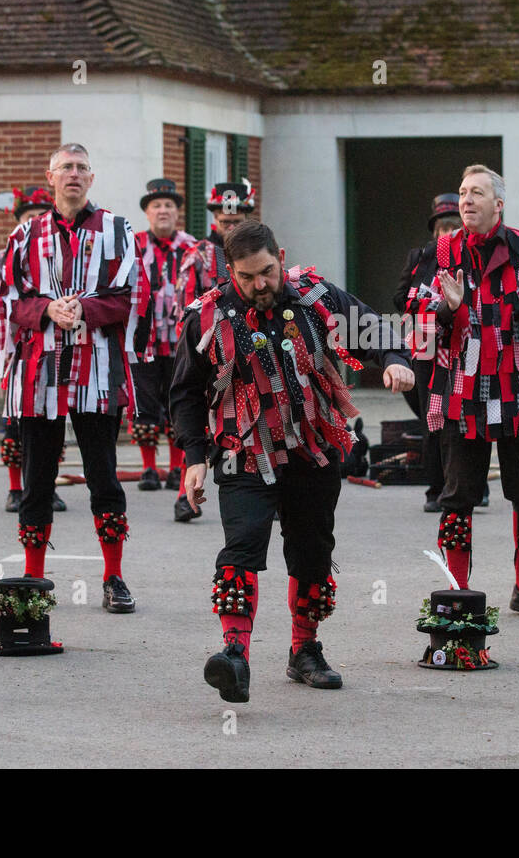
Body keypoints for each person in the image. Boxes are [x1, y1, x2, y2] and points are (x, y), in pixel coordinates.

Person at [171, 221, 414, 702]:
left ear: (280, 256)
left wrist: (392, 357)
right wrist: (194, 458)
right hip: (244, 450)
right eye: (246, 277)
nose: (260, 285)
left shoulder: (316, 296)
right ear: (228, 272)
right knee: (241, 548)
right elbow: (184, 394)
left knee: (312, 552)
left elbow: (374, 327)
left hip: (313, 449)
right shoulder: (206, 317)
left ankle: (304, 650)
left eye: (267, 271)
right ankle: (235, 656)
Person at [406, 165, 519, 617]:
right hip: (462, 393)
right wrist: (448, 306)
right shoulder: (442, 251)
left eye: (476, 192)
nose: (466, 200)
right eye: (462, 192)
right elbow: (416, 320)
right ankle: (457, 593)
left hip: (517, 389)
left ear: (498, 204)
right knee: (458, 496)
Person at [0, 143, 140, 613]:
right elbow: (9, 300)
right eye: (65, 168)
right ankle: (33, 579)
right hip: (38, 373)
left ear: (91, 178)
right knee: (37, 479)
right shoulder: (23, 235)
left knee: (104, 476)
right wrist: (45, 308)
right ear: (50, 176)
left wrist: (86, 309)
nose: (73, 175)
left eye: (81, 168)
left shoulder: (118, 230)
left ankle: (114, 576)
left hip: (97, 370)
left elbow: (129, 296)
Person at [0, 185, 66, 513]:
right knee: (15, 420)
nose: (36, 222)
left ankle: (46, 485)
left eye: (42, 216)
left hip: (54, 351)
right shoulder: (4, 258)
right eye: (29, 217)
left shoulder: (64, 258)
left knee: (52, 418)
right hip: (16, 354)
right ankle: (14, 488)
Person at [172, 180, 258, 522]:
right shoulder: (198, 255)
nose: (232, 227)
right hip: (208, 350)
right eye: (226, 222)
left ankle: (268, 487)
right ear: (215, 221)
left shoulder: (259, 251)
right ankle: (185, 492)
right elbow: (186, 308)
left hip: (252, 350)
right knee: (197, 417)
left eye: (238, 221)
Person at [394, 194, 465, 513]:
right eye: (441, 227)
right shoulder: (420, 257)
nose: (446, 233)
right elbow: (400, 298)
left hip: (464, 346)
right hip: (425, 343)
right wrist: (431, 307)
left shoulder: (470, 255)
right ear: (434, 231)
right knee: (431, 418)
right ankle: (435, 487)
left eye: (452, 226)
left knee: (465, 417)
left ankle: (466, 484)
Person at [129, 179, 195, 500]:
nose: (163, 210)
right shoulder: (133, 244)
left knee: (177, 404)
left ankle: (176, 468)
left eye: (169, 205)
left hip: (181, 342)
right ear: (147, 212)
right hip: (145, 342)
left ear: (177, 212)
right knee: (144, 405)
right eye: (157, 205)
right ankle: (148, 469)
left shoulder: (193, 248)